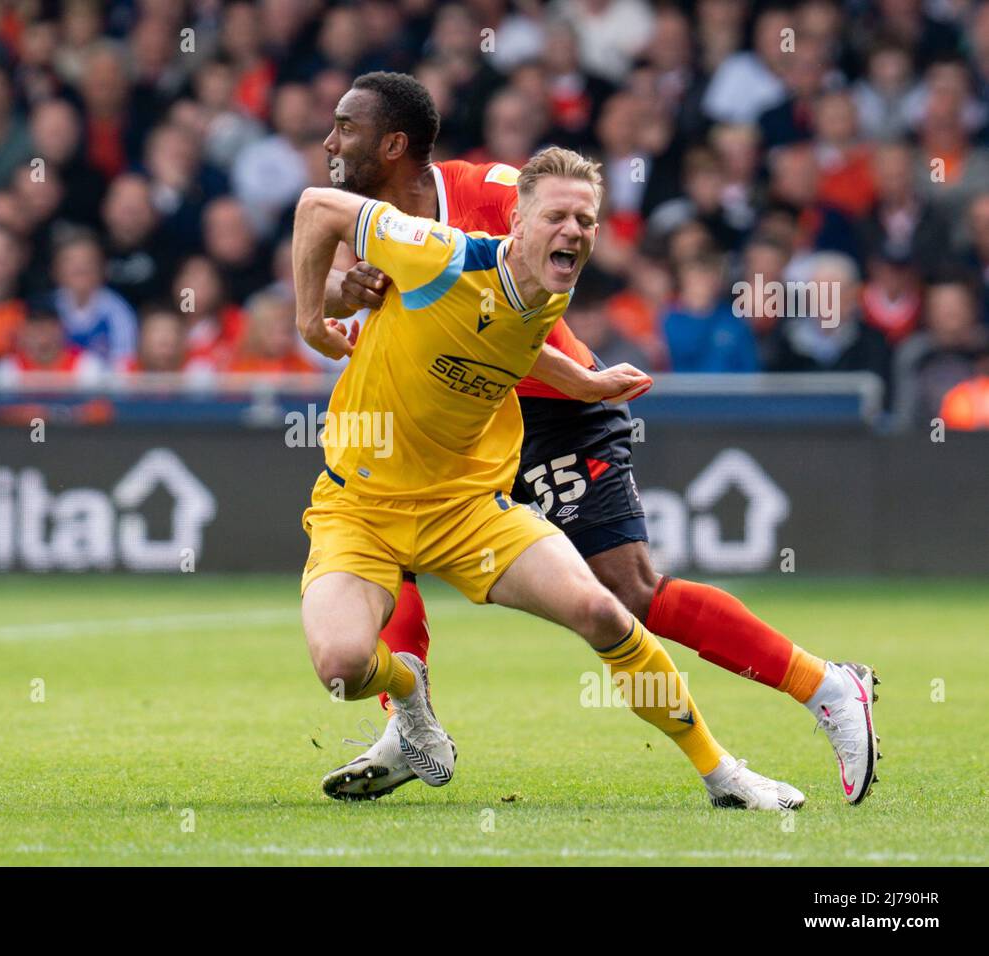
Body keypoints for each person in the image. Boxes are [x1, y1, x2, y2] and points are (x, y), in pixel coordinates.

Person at [319, 71, 879, 805]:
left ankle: (826, 686)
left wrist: (587, 376)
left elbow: (553, 246)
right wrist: (339, 298)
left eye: (346, 130)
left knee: (626, 593)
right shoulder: (362, 215)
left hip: (551, 404)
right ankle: (407, 723)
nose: (330, 143)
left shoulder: (489, 191)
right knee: (387, 550)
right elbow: (335, 280)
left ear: (393, 146)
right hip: (451, 418)